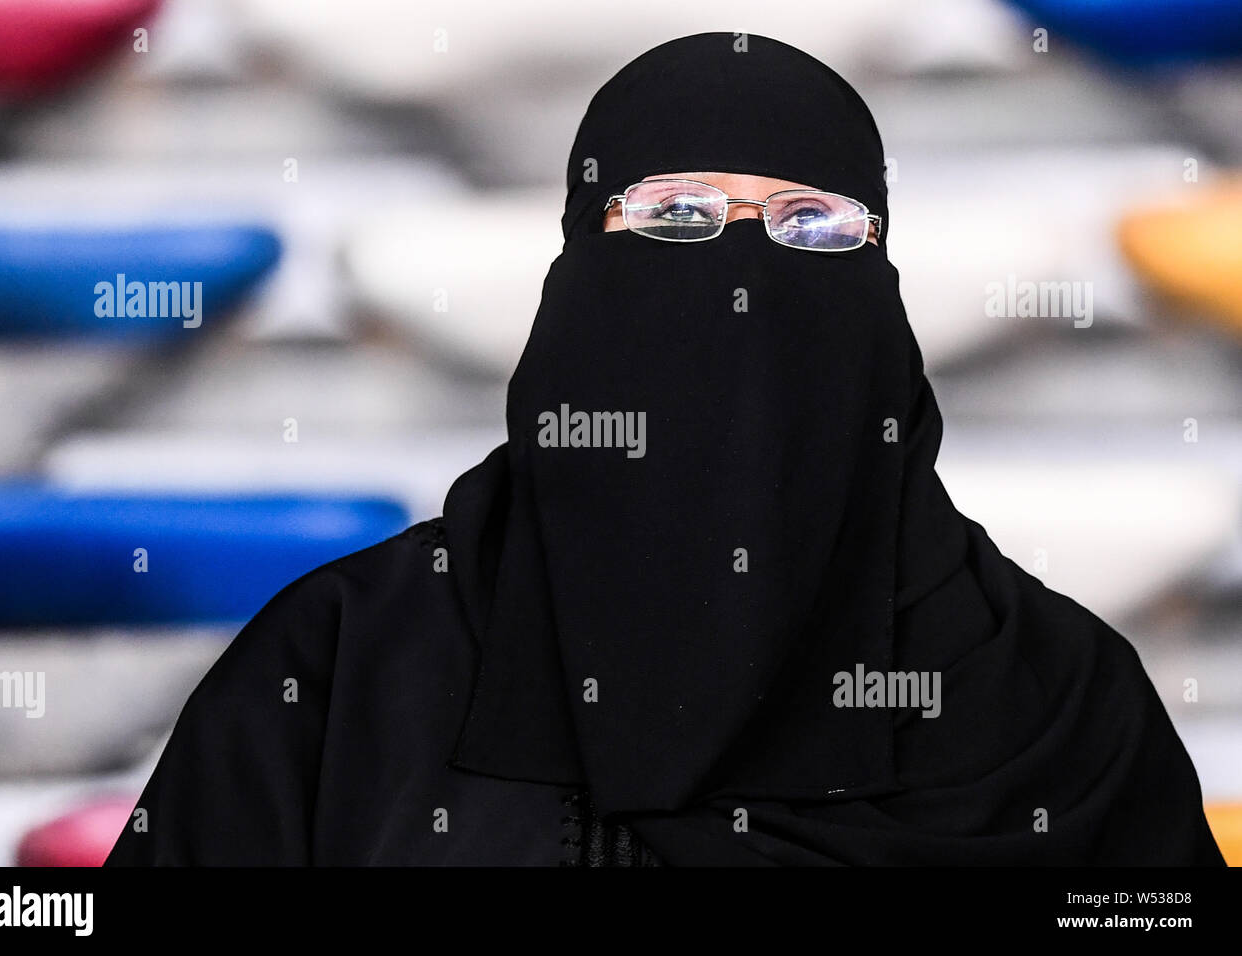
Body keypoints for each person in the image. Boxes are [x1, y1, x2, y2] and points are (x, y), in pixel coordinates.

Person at [105, 32, 1224, 867]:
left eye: (810, 224)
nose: (744, 273)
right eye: (674, 217)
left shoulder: (1061, 703)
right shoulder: (344, 666)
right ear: (572, 276)